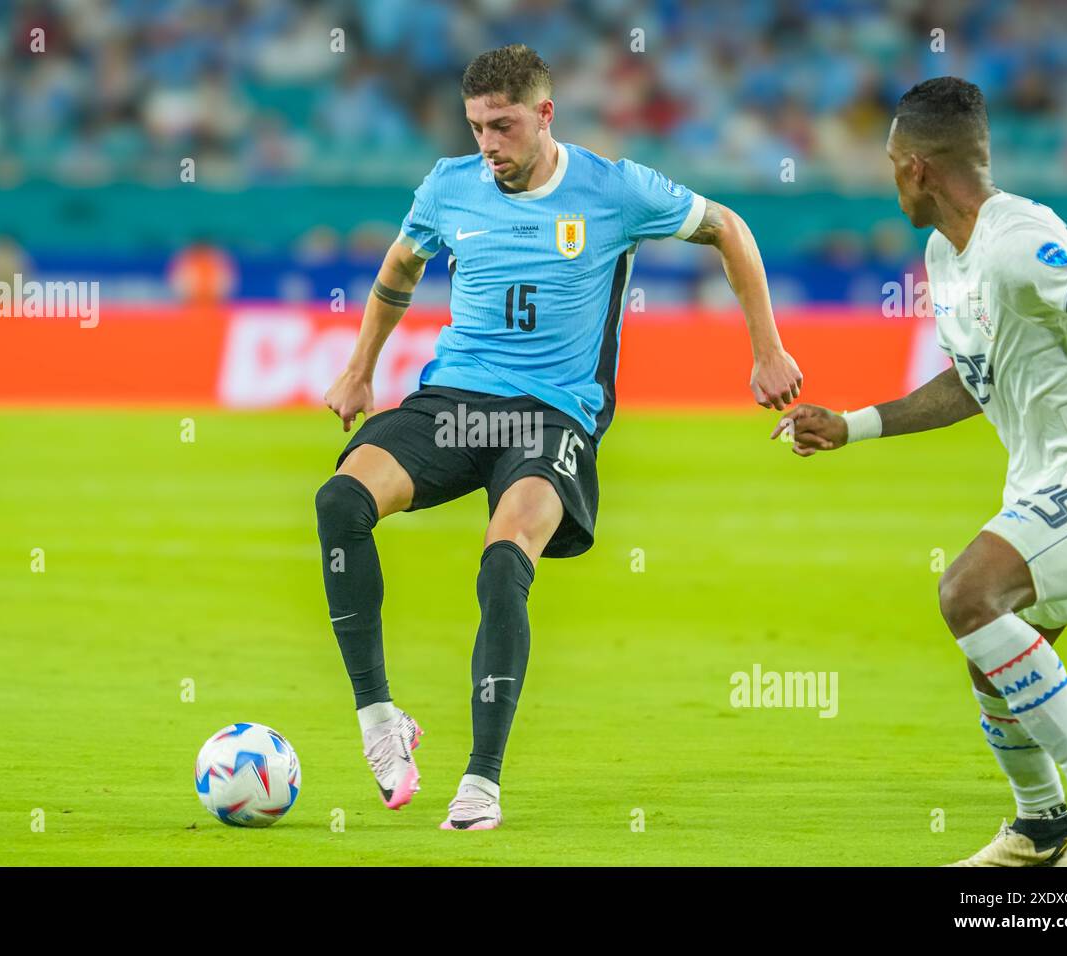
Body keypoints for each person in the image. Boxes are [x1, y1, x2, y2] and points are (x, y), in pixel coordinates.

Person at [317, 45, 802, 830]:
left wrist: (768, 348)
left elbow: (729, 227)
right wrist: (358, 368)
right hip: (454, 402)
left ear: (545, 115)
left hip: (552, 416)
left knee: (503, 560)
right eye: (477, 127)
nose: (489, 145)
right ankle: (381, 724)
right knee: (340, 501)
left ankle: (481, 781)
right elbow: (398, 271)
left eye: (503, 126)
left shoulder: (614, 189)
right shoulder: (448, 187)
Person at [773, 77, 1067, 867]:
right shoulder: (947, 252)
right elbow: (974, 381)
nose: (889, 179)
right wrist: (854, 425)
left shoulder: (1018, 238)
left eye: (889, 164)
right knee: (995, 660)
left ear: (915, 168)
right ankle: (1040, 825)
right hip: (1043, 480)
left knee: (967, 594)